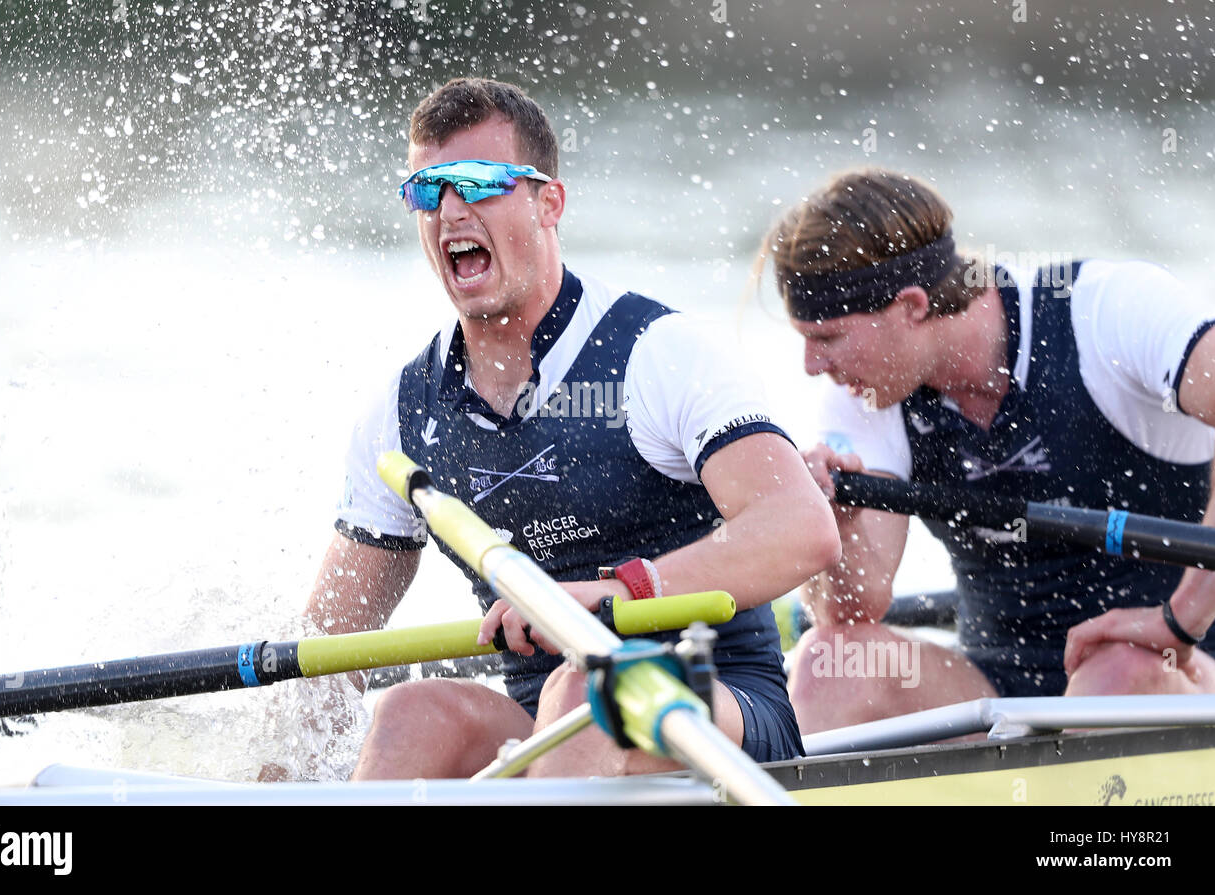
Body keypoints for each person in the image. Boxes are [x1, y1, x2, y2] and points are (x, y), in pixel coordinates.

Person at [305, 77, 839, 779]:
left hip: (719, 708)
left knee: (583, 692)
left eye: (477, 183)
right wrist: (278, 775)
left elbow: (803, 529)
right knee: (410, 711)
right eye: (428, 191)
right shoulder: (400, 413)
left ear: (548, 201)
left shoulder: (658, 354)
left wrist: (620, 590)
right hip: (541, 721)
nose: (451, 211)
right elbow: (326, 649)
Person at [760, 167, 1215, 735]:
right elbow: (850, 612)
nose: (812, 367)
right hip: (998, 685)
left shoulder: (1106, 313)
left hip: (1183, 664)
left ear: (911, 305)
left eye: (827, 337)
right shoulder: (866, 391)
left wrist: (1181, 621)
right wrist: (834, 525)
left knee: (1118, 669)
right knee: (828, 667)